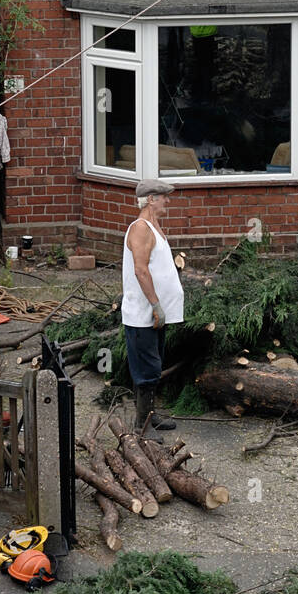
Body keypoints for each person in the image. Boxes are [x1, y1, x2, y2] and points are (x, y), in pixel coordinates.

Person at [122, 179, 184, 432]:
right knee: (146, 370)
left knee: (154, 365)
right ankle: (142, 426)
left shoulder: (153, 226)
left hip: (155, 315)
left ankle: (150, 416)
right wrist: (156, 305)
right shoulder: (140, 228)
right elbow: (140, 270)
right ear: (150, 199)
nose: (167, 201)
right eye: (163, 196)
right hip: (142, 315)